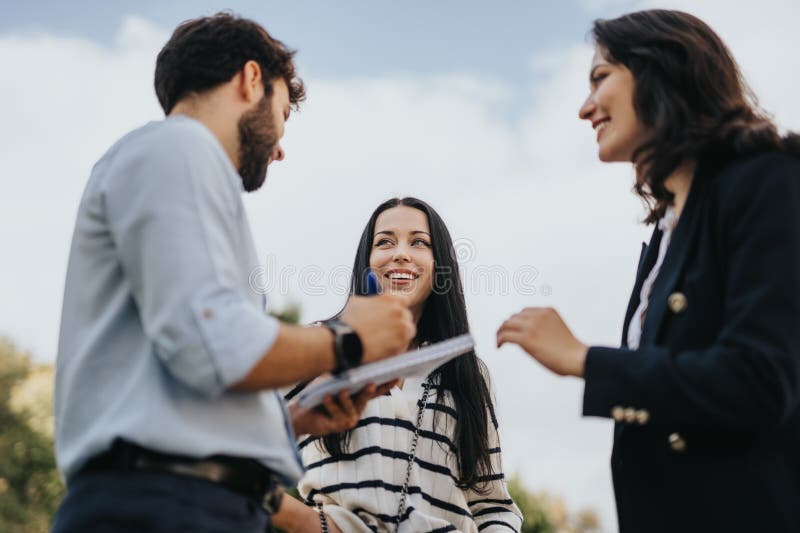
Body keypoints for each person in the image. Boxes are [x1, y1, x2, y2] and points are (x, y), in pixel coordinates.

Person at [52, 13, 415, 532]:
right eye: (283, 113)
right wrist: (348, 340)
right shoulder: (180, 147)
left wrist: (294, 418)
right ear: (251, 81)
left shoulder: (171, 165)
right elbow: (212, 340)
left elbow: (186, 372)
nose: (280, 146)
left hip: (188, 502)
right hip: (164, 508)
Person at [497, 9, 800, 533]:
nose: (584, 108)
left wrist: (586, 359)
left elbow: (761, 382)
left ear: (661, 69)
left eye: (599, 77)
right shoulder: (666, 233)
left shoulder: (768, 181)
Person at [272, 197, 523, 532]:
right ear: (367, 260)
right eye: (385, 242)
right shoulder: (319, 347)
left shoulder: (468, 373)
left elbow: (493, 505)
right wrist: (294, 516)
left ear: (440, 265)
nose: (401, 253)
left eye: (419, 242)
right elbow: (237, 435)